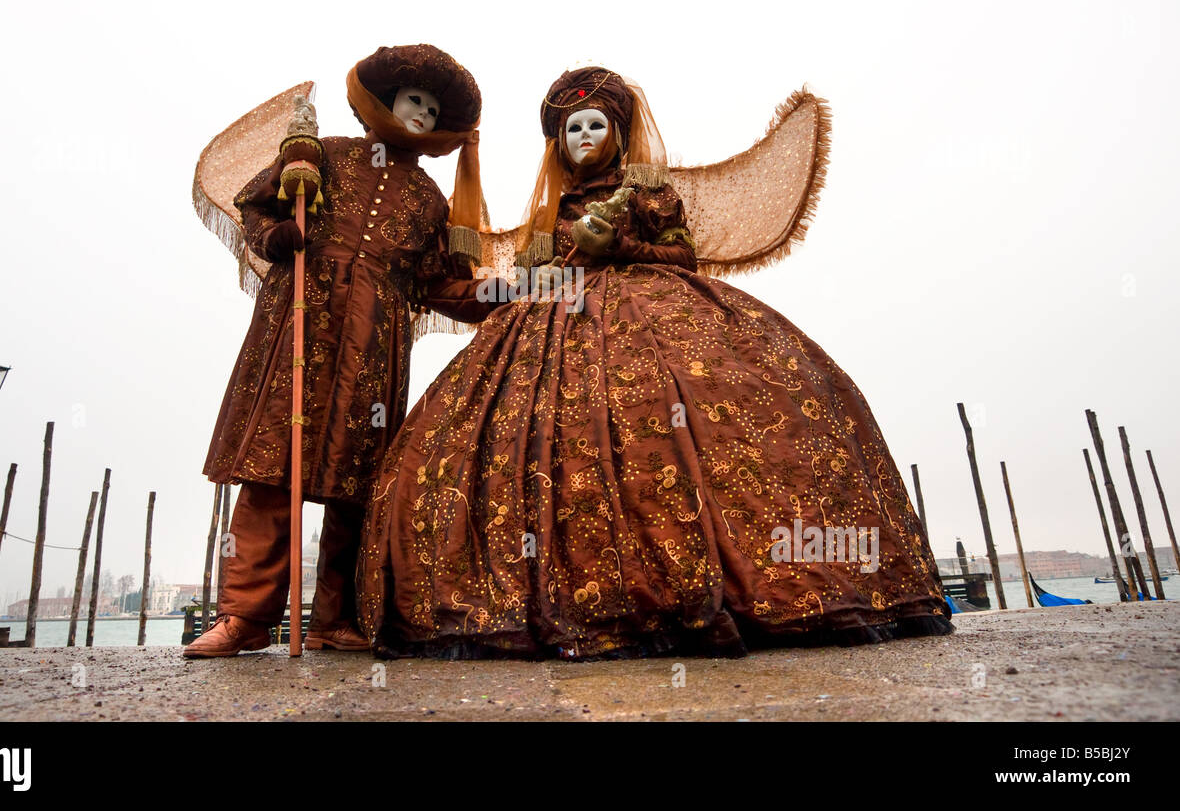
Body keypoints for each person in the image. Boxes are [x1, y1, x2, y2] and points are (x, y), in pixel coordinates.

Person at [358, 66, 952, 659]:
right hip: (553, 320)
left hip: (651, 307)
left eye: (595, 125)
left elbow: (683, 255)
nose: (584, 136)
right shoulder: (549, 215)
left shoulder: (647, 195)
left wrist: (618, 246)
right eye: (572, 129)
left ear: (618, 133)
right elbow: (530, 279)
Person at [187, 44, 505, 657]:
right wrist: (279, 236)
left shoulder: (431, 203)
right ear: (386, 101)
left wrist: (510, 294)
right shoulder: (322, 154)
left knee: (354, 487)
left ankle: (335, 621)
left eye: (432, 109)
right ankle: (245, 620)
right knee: (269, 474)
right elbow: (257, 206)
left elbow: (440, 284)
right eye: (414, 100)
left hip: (376, 345)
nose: (421, 113)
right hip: (296, 331)